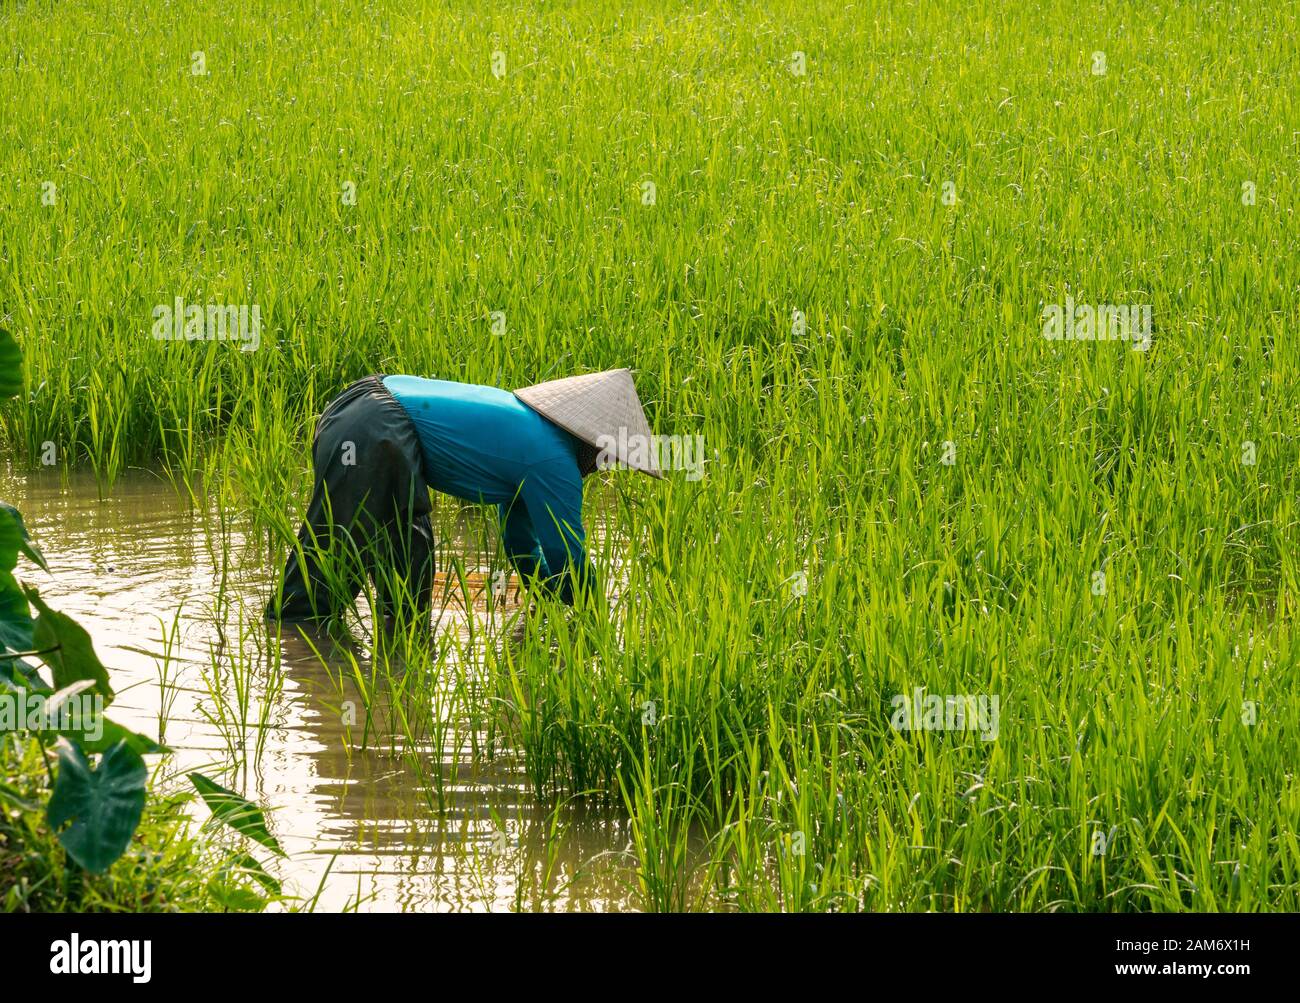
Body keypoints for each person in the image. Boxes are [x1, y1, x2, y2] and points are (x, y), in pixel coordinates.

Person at [265, 368, 661, 624]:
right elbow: (566, 556)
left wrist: (543, 598)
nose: (604, 467)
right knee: (330, 564)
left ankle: (395, 672)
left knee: (407, 571)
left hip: (370, 410)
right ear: (594, 444)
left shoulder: (534, 437)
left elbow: (520, 544)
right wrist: (598, 621)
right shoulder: (553, 463)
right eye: (609, 457)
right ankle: (294, 651)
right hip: (375, 429)